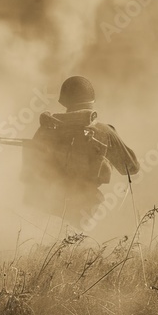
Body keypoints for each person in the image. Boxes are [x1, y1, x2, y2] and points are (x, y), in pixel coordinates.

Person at [24, 75, 140, 224]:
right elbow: (131, 168)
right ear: (92, 101)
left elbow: (28, 171)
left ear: (64, 102)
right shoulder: (104, 131)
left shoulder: (47, 129)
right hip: (85, 208)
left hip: (46, 205)